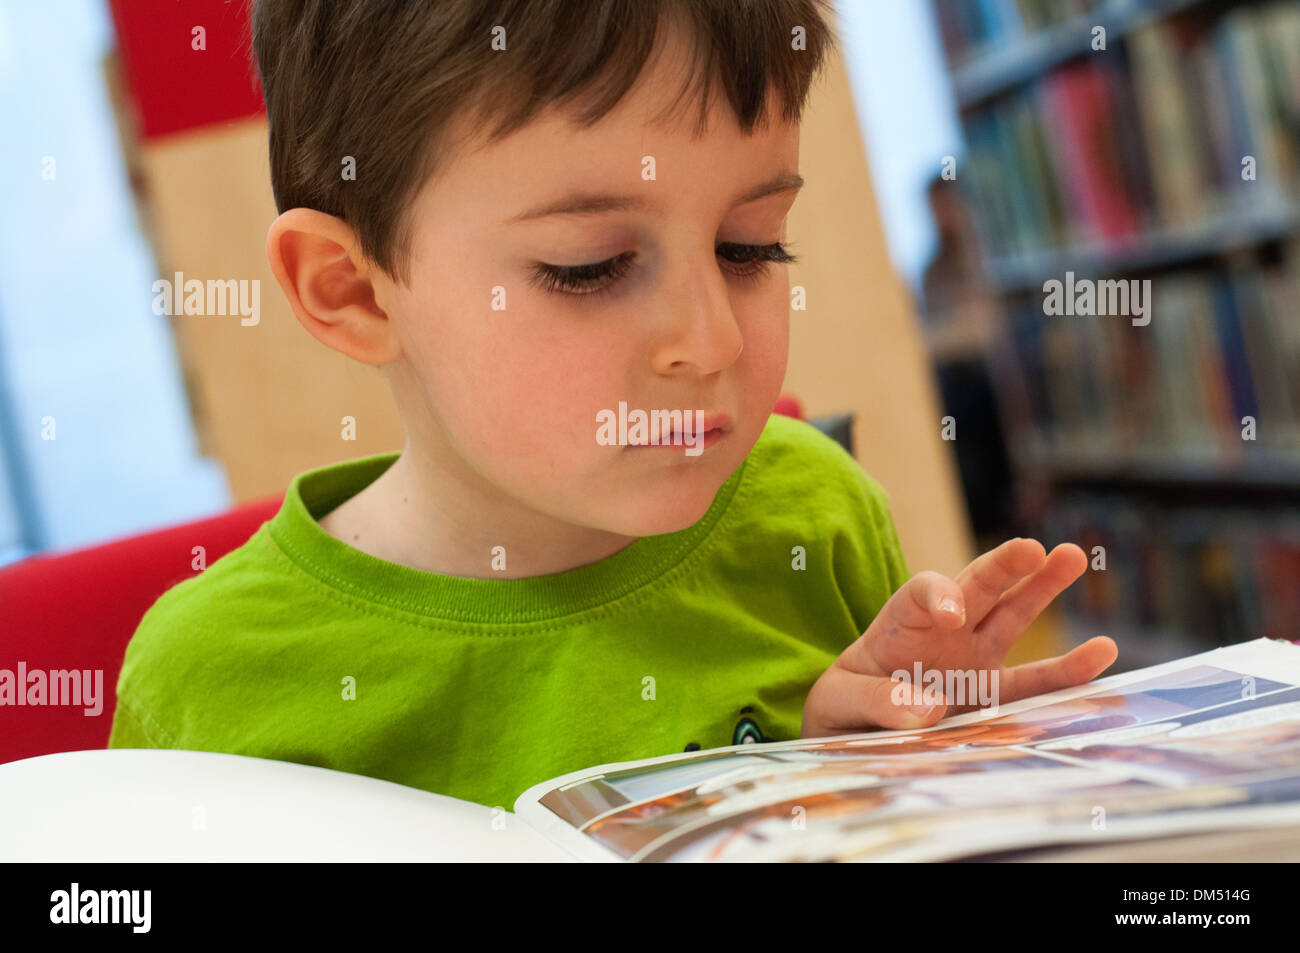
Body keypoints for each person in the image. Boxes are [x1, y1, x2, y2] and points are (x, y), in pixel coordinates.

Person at [108, 0, 1117, 810]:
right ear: (355, 289)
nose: (712, 339)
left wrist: (865, 778)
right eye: (588, 267)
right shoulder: (212, 682)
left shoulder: (813, 511)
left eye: (751, 245)